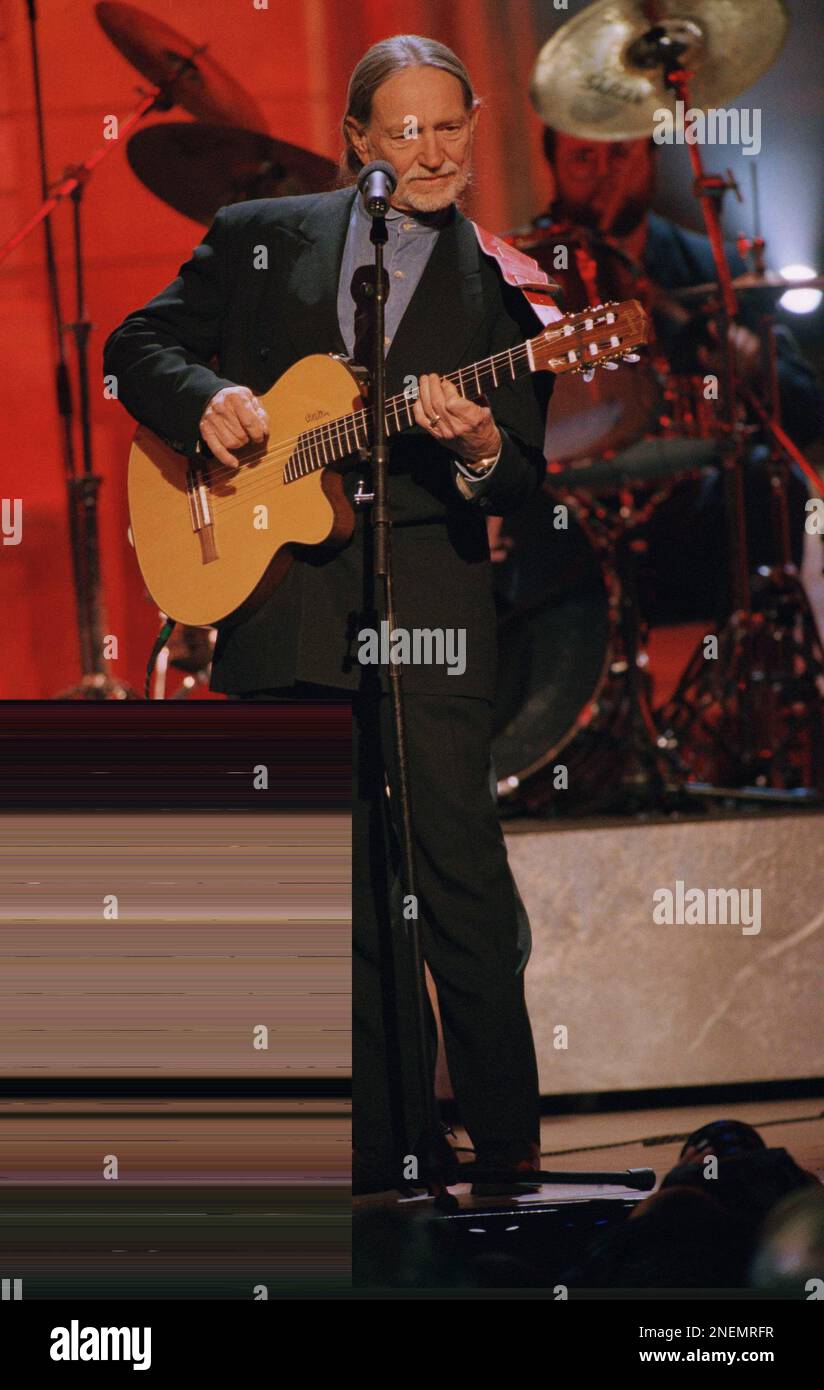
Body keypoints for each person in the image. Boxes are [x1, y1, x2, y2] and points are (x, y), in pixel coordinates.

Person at [104, 35, 554, 1195]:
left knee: (455, 872)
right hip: (280, 593)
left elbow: (522, 482)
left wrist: (482, 442)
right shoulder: (264, 236)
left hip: (429, 598)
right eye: (404, 131)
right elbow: (133, 347)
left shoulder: (506, 285)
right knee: (339, 893)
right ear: (357, 141)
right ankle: (381, 1151)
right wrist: (206, 401)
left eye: (449, 126)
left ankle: (506, 1154)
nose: (431, 151)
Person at [506, 129, 823, 622]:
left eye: (620, 152)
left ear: (651, 156)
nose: (603, 173)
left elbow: (807, 410)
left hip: (691, 496)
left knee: (769, 479)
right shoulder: (518, 271)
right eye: (582, 158)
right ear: (552, 167)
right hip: (571, 501)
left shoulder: (711, 265)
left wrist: (752, 362)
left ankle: (752, 674)